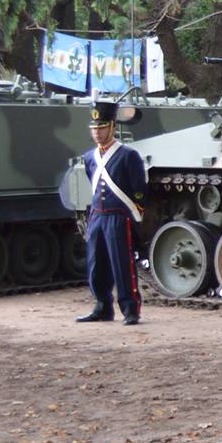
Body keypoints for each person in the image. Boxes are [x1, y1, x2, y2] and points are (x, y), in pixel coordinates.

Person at [76, 102, 147, 326]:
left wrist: (133, 213)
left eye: (102, 127)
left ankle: (130, 309)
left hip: (118, 216)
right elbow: (93, 184)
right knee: (96, 264)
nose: (97, 132)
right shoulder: (90, 157)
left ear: (112, 127)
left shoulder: (128, 155)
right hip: (98, 215)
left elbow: (139, 189)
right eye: (94, 128)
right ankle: (102, 306)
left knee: (122, 264)